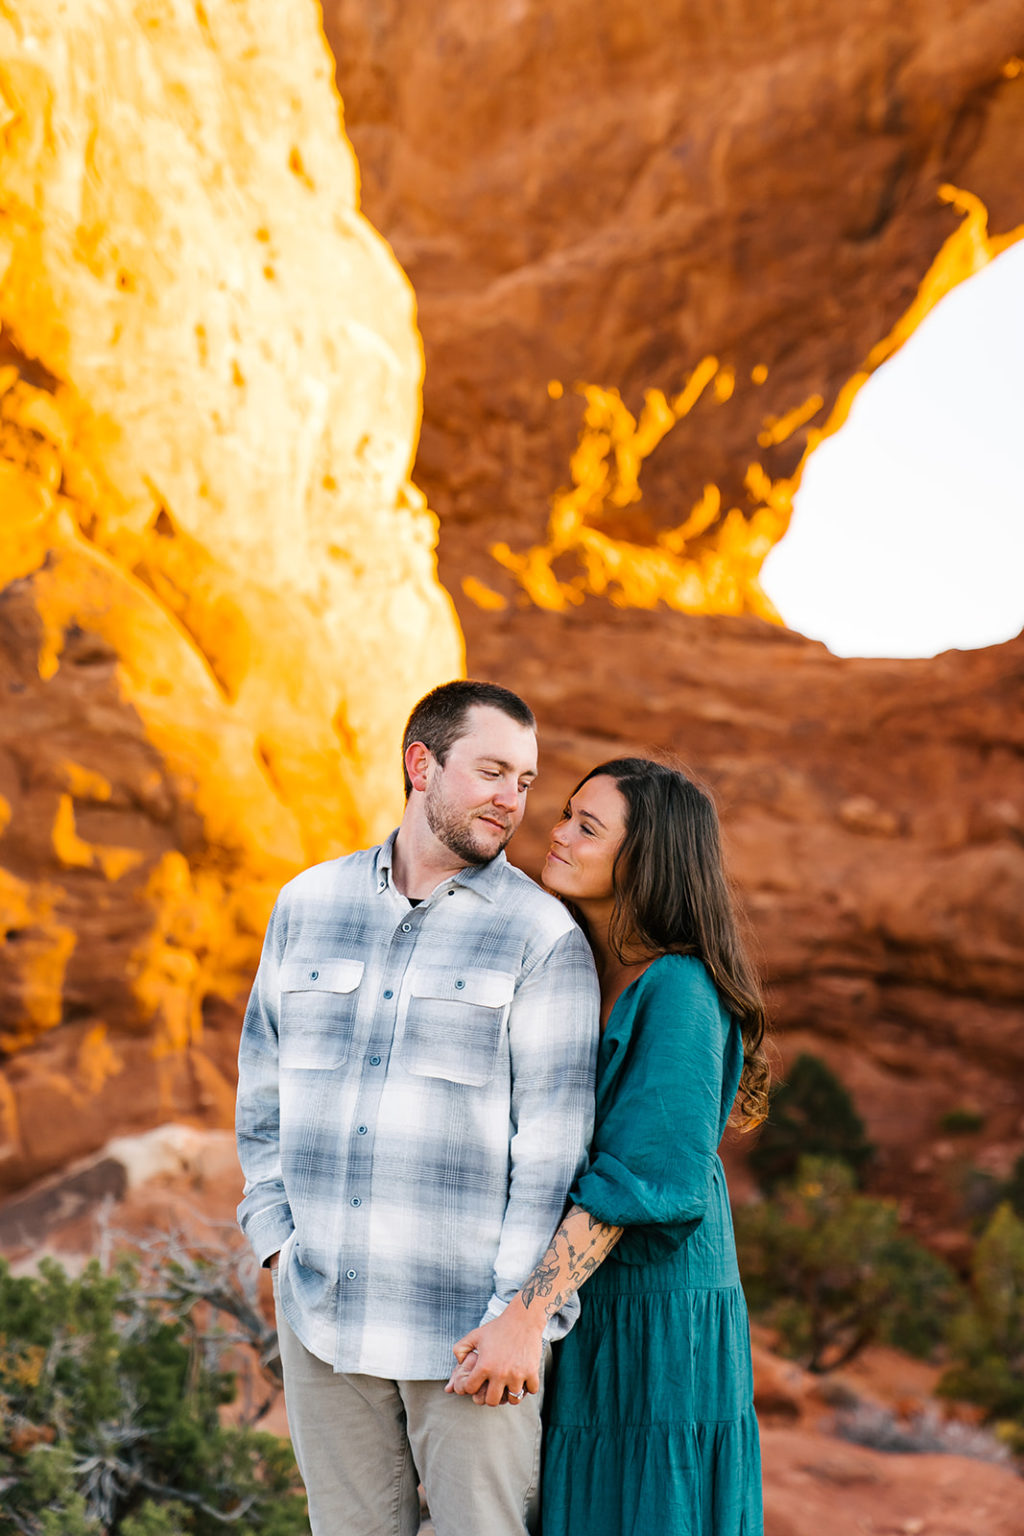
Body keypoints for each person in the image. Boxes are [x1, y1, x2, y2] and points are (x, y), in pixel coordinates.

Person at [235, 680, 600, 1536]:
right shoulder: (306, 905)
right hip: (325, 1323)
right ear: (421, 765)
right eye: (492, 772)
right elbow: (263, 1088)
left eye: (525, 780)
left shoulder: (542, 937)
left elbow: (552, 1154)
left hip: (472, 1342)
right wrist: (278, 1242)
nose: (513, 800)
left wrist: (522, 1319)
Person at [447, 756, 769, 1535]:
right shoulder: (586, 971)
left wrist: (526, 1316)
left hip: (655, 1309)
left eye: (587, 827)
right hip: (595, 1305)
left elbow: (646, 1178)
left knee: (643, 1505)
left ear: (646, 860)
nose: (557, 834)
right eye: (565, 815)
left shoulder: (682, 989)